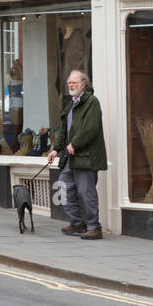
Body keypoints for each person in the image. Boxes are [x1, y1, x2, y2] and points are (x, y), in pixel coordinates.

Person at [47, 69, 106, 240]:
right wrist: (55, 149)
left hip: (86, 157)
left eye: (74, 82)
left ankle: (94, 227)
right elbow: (64, 131)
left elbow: (91, 128)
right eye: (69, 83)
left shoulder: (92, 102)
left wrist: (75, 143)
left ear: (84, 84)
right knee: (64, 188)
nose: (71, 85)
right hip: (70, 157)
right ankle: (77, 223)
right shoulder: (71, 104)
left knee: (86, 192)